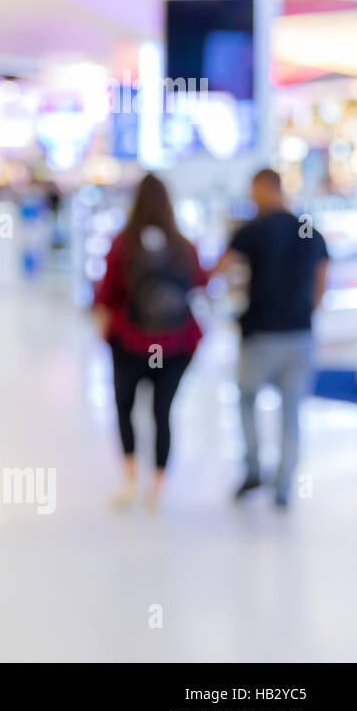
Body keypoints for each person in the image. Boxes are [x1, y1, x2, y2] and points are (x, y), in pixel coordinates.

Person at [214, 168, 329, 509]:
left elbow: (219, 271)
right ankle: (283, 485)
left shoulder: (253, 230)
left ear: (265, 188)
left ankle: (253, 469)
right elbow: (322, 281)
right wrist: (307, 312)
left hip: (260, 334)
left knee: (247, 400)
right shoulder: (309, 231)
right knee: (291, 412)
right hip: (299, 334)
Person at [93, 174, 208, 512]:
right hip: (175, 344)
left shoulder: (122, 244)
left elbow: (105, 294)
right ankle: (157, 487)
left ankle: (130, 478)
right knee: (163, 412)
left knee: (125, 409)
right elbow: (200, 283)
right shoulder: (182, 245)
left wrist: (106, 333)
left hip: (131, 343)